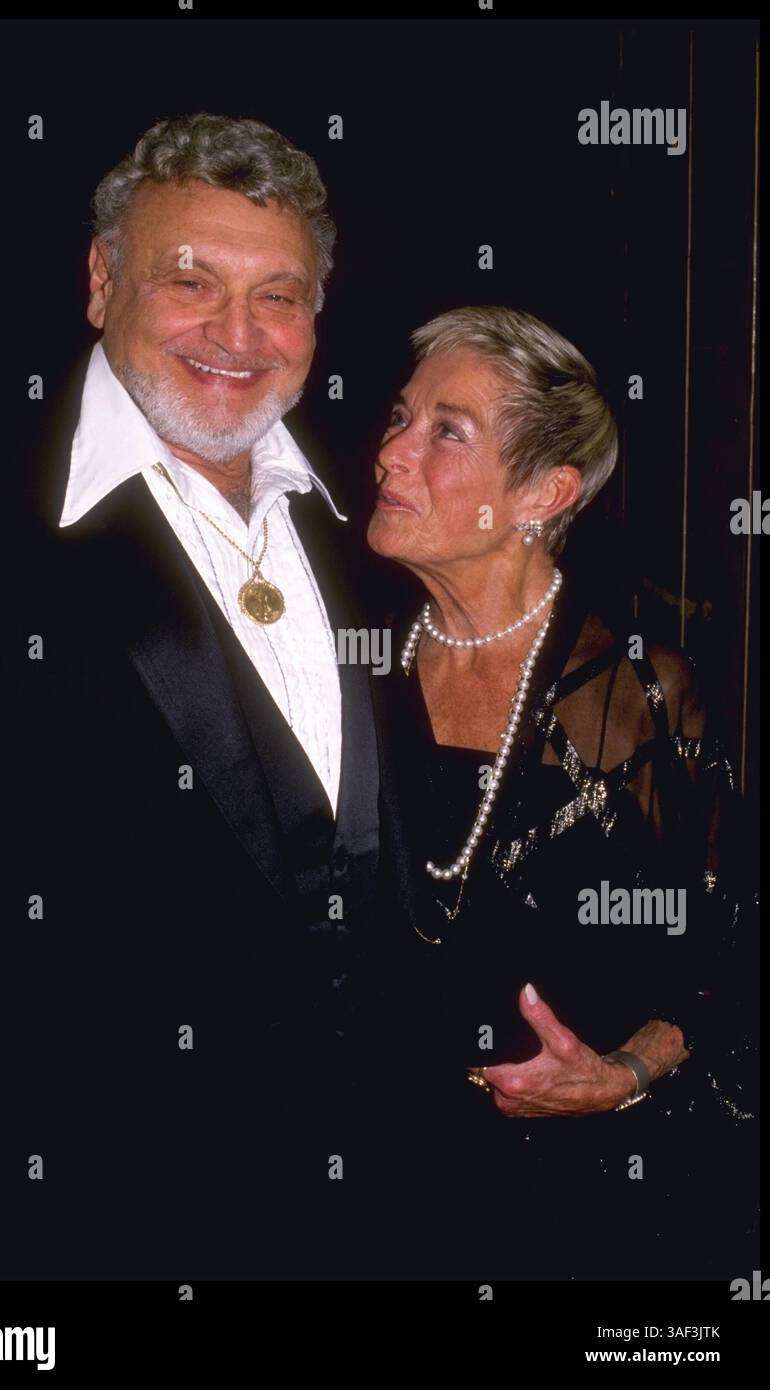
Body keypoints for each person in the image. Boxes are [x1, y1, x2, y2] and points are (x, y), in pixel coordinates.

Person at [0, 113, 415, 1281]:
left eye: (278, 296)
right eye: (189, 280)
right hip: (88, 1220)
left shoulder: (374, 509)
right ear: (102, 281)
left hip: (375, 1217)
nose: (237, 335)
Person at [364, 305, 757, 1279]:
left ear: (544, 489)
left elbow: (732, 952)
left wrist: (620, 1074)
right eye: (396, 417)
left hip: (588, 1210)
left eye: (443, 431)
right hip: (384, 1186)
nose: (388, 453)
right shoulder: (354, 667)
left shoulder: (636, 696)